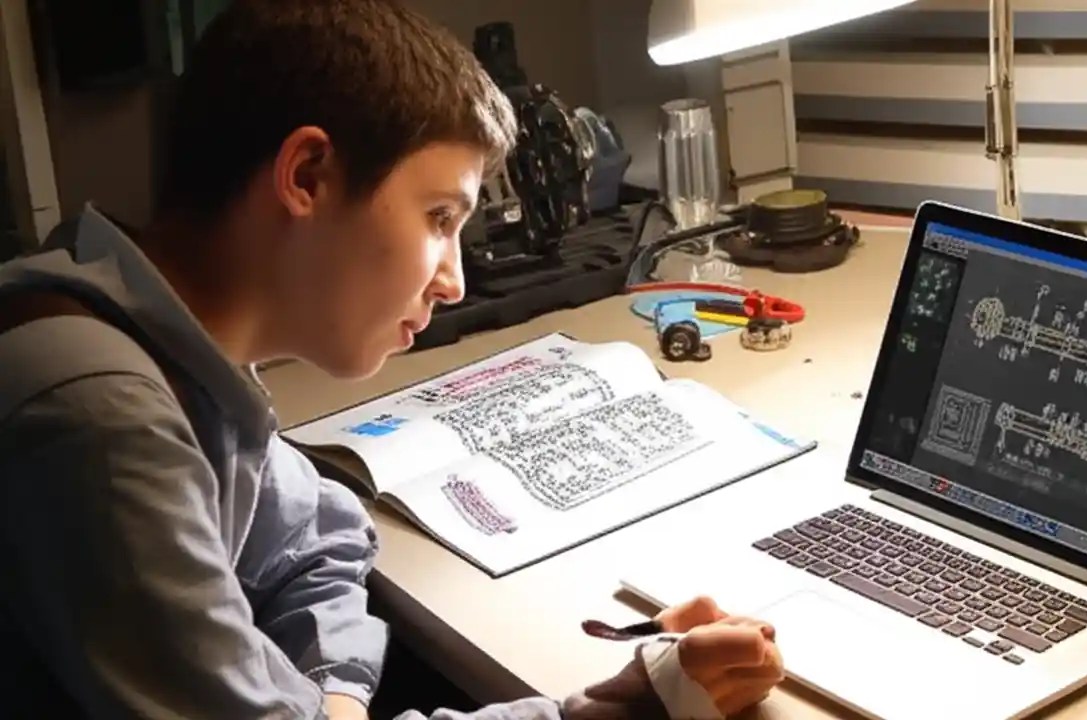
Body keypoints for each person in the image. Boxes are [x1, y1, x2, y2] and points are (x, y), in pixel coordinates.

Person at [0, 1, 784, 718]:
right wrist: (615, 708)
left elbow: (321, 536)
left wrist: (333, 699)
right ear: (307, 177)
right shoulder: (93, 416)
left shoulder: (174, 354)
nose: (454, 279)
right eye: (439, 217)